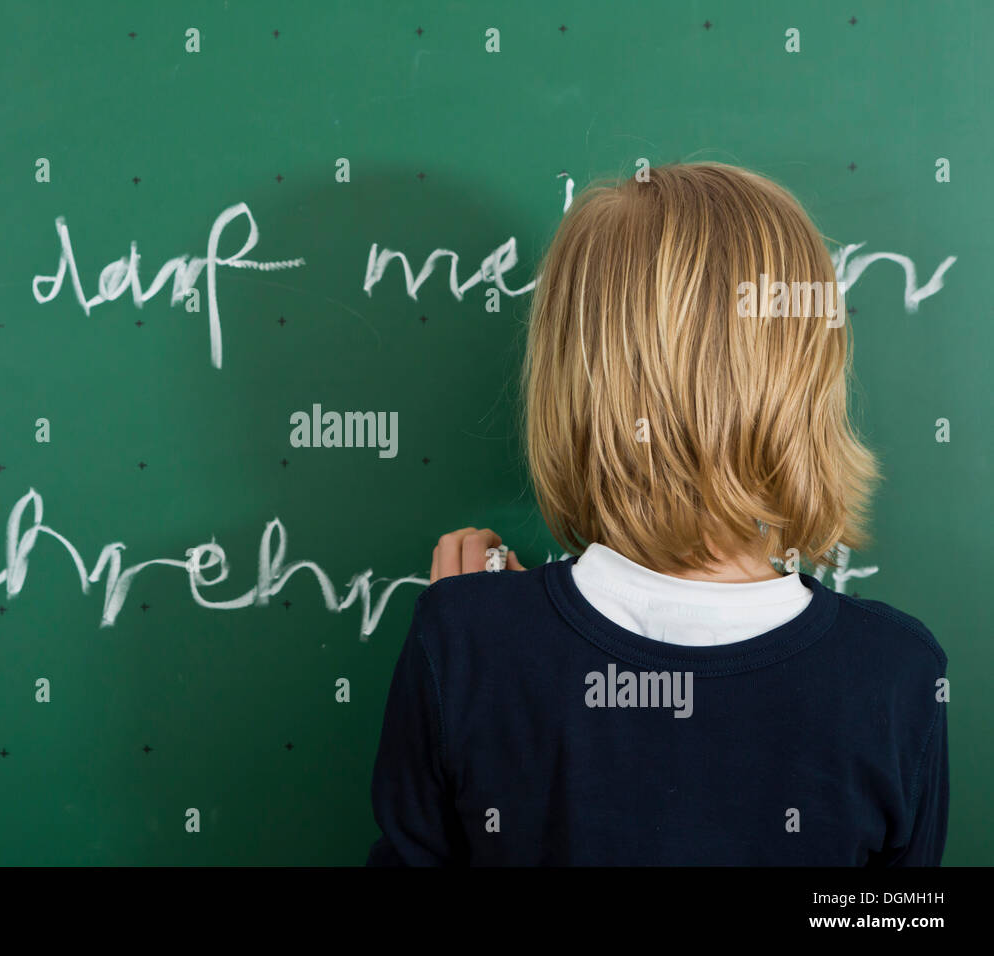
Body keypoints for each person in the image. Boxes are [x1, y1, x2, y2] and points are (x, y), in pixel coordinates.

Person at [366, 163, 949, 865]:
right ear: (806, 376)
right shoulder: (896, 675)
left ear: (570, 383)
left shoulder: (463, 639)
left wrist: (493, 646)